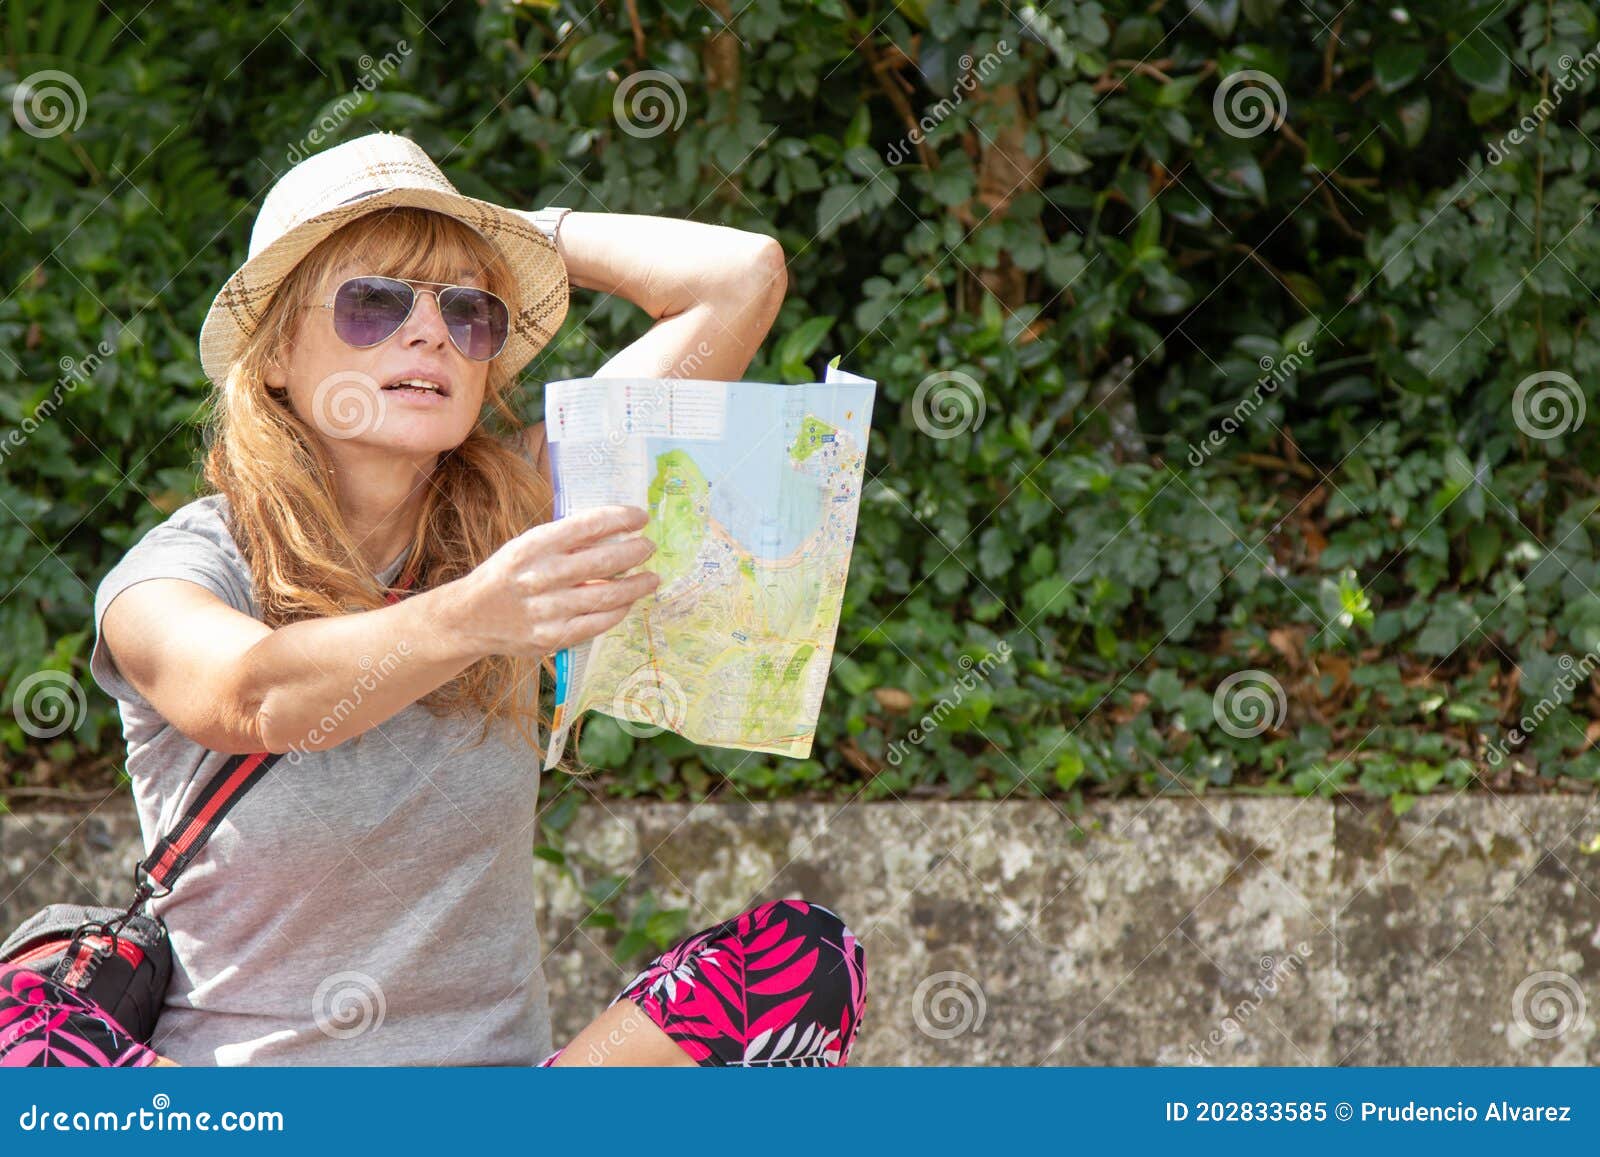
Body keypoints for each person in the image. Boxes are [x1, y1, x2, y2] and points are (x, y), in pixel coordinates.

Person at [26, 131, 866, 1067]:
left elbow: (741, 277)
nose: (427, 331)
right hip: (250, 1106)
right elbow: (251, 695)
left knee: (803, 961)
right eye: (374, 301)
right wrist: (473, 614)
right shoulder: (184, 566)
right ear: (273, 356)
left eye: (469, 312)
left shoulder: (526, 517)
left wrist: (517, 235)